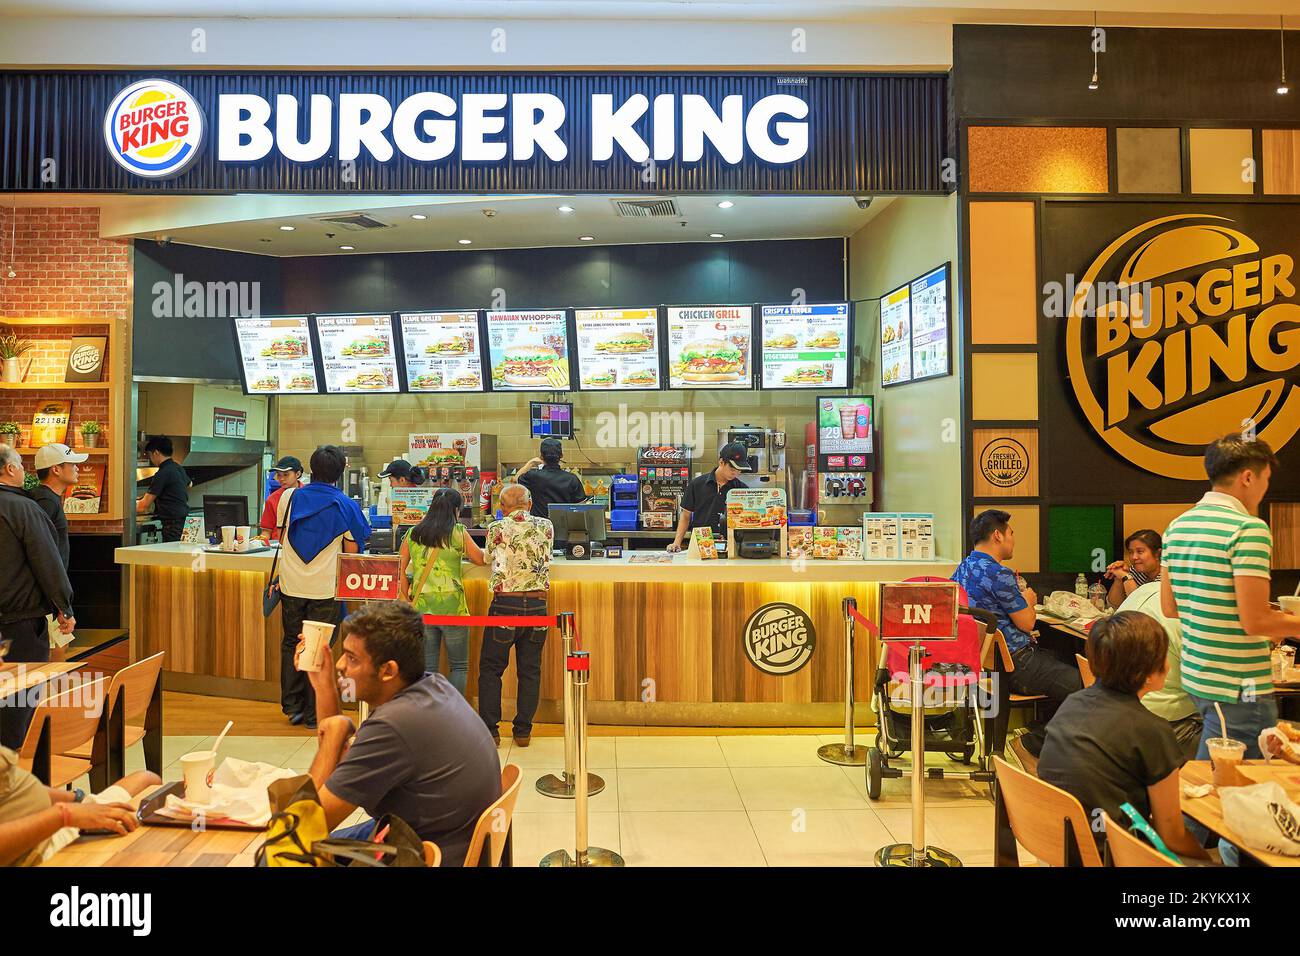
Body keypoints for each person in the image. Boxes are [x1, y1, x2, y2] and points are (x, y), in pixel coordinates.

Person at [299, 602, 501, 866]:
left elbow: (305, 826)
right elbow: (347, 763)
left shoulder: (393, 726)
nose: (339, 665)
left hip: (424, 853)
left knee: (283, 854)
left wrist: (336, 728)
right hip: (441, 839)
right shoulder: (434, 686)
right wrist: (325, 688)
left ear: (388, 671)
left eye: (352, 658)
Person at [1161, 437, 1300, 760]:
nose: (1265, 488)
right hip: (1239, 686)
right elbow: (1255, 621)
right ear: (1248, 477)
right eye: (1266, 478)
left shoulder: (1178, 526)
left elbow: (1171, 606)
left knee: (1220, 779)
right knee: (1231, 788)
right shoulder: (1247, 529)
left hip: (1198, 677)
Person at [1038, 611, 1210, 861]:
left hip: (1059, 846)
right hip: (1111, 855)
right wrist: (1207, 860)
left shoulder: (1072, 703)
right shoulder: (1152, 730)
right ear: (1149, 671)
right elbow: (1171, 835)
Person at [952, 508, 1081, 756]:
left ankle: (1040, 731)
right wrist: (1028, 599)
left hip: (987, 663)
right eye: (1011, 533)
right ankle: (1035, 742)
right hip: (1017, 665)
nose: (1013, 540)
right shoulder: (999, 573)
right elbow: (1027, 623)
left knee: (1063, 662)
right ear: (997, 536)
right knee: (1086, 688)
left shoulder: (965, 566)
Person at [272, 445, 370, 729]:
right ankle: (315, 713)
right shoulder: (345, 504)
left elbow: (281, 538)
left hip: (291, 585)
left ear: (311, 469)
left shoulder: (288, 497)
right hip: (325, 588)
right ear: (340, 473)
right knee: (320, 648)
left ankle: (293, 707)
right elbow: (352, 552)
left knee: (292, 641)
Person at [0, 444, 75, 749]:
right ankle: (16, 779)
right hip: (20, 624)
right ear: (9, 469)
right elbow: (47, 562)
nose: (23, 470)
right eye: (19, 464)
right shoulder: (23, 509)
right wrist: (64, 606)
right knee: (18, 703)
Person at [478, 483, 553, 747]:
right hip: (537, 607)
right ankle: (523, 732)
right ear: (529, 504)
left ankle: (491, 731)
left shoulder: (496, 528)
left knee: (491, 670)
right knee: (530, 671)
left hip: (504, 605)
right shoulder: (546, 526)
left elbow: (487, 557)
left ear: (501, 508)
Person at [0, 746, 160, 867]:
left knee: (147, 779)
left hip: (51, 822)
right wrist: (64, 815)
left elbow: (13, 784)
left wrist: (78, 799)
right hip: (36, 849)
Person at [399, 488, 485, 696]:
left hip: (423, 608)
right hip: (453, 608)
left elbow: (398, 569)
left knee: (428, 669)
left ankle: (429, 714)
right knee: (459, 666)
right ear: (456, 510)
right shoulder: (457, 532)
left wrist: (407, 597)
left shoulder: (413, 533)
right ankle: (453, 713)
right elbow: (480, 559)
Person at [1116, 581, 1204, 761]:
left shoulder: (1144, 590)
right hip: (1165, 727)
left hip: (1117, 714)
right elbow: (1210, 684)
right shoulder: (1187, 611)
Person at [30, 443, 86, 658]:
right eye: (73, 464)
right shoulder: (45, 501)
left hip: (50, 594)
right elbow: (43, 554)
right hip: (46, 597)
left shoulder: (48, 499)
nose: (78, 468)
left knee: (59, 649)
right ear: (56, 469)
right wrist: (60, 604)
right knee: (57, 652)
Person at [666, 441, 749, 552]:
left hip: (731, 546)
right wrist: (676, 542)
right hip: (701, 544)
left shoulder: (742, 490)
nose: (735, 473)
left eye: (738, 471)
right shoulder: (696, 484)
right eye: (732, 469)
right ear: (721, 462)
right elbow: (685, 515)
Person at [135, 436, 190, 542]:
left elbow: (143, 506)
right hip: (184, 523)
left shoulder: (162, 474)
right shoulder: (178, 468)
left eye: (150, 455)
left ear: (156, 453)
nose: (151, 459)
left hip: (172, 526)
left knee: (171, 556)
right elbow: (190, 484)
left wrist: (126, 508)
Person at [515, 438, 585, 520]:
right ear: (561, 455)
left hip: (540, 528)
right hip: (563, 527)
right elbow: (581, 505)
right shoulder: (572, 478)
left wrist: (531, 463)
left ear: (541, 456)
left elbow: (515, 481)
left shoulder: (533, 476)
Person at [1105, 529, 1162, 609]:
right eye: (1131, 552)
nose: (1134, 557)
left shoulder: (1167, 577)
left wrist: (1126, 577)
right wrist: (1119, 577)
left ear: (1157, 554)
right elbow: (1113, 606)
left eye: (1140, 552)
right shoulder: (1136, 570)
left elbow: (1141, 608)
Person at [258, 456, 303, 541]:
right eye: (279, 475)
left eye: (286, 475)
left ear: (297, 474)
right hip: (278, 546)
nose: (281, 479)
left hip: (302, 546)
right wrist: (260, 544)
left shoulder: (309, 496)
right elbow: (266, 531)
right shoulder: (272, 499)